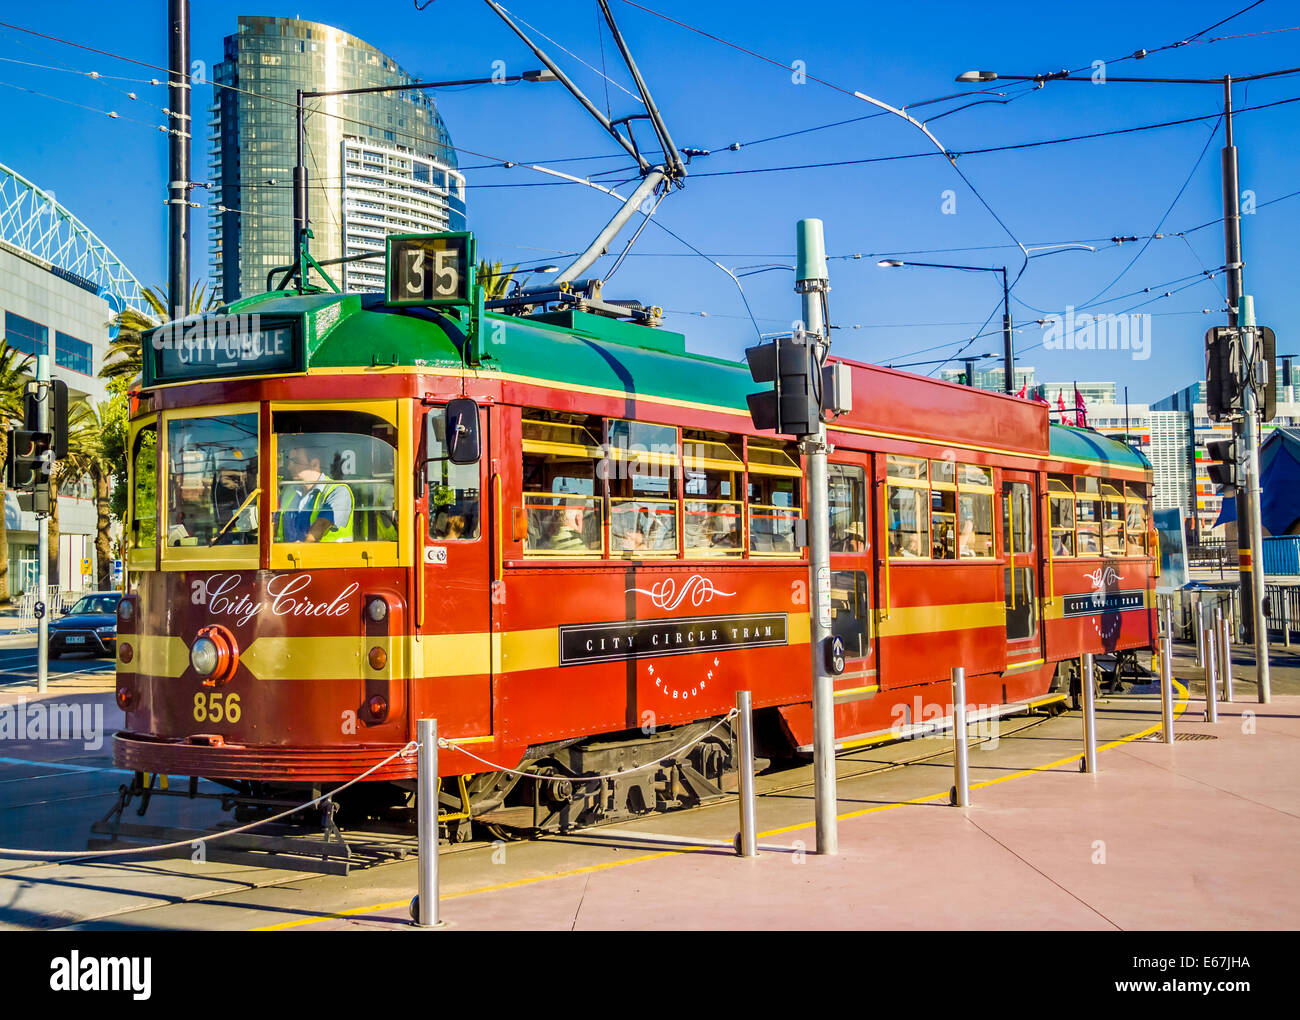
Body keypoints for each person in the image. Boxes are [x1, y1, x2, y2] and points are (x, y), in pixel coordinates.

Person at [278, 443, 354, 543]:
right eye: (289, 461)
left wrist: (304, 547)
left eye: (295, 461)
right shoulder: (289, 491)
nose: (289, 467)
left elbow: (322, 524)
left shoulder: (338, 491)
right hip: (289, 556)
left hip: (328, 557)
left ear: (314, 464)